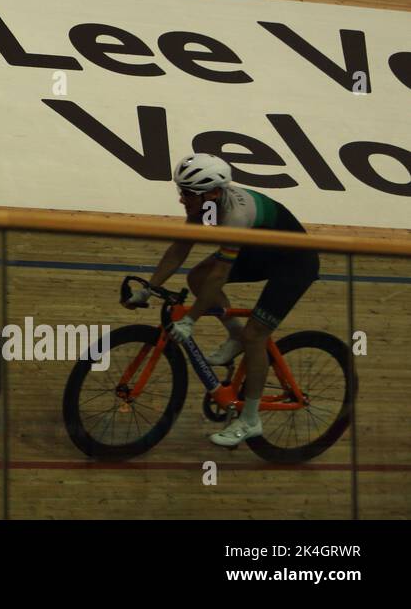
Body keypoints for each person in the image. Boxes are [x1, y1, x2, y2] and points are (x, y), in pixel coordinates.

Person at [126, 153, 320, 447]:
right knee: (197, 279)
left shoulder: (234, 217)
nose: (182, 199)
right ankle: (235, 336)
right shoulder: (207, 205)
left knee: (256, 335)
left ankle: (251, 420)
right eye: (181, 191)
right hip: (262, 250)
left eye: (188, 193)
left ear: (214, 192)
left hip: (294, 263)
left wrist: (190, 320)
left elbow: (220, 275)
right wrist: (150, 288)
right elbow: (180, 248)